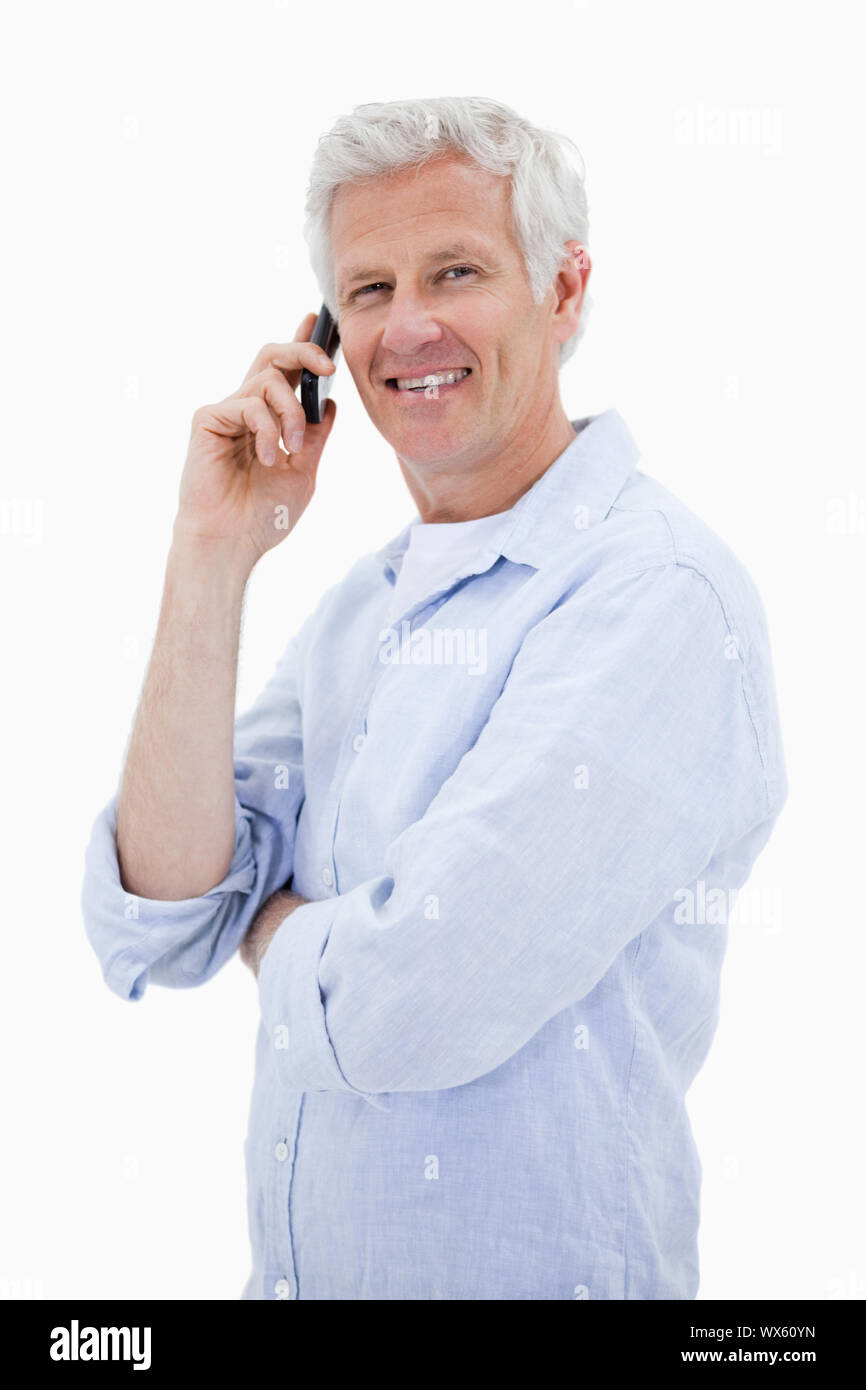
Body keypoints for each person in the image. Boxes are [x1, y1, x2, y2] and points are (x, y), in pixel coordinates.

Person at [81, 96, 788, 1300]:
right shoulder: (367, 606)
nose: (407, 327)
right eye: (365, 291)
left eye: (453, 271)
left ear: (562, 291)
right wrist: (214, 553)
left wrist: (274, 924)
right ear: (323, 335)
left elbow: (403, 1006)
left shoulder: (654, 597)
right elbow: (158, 911)